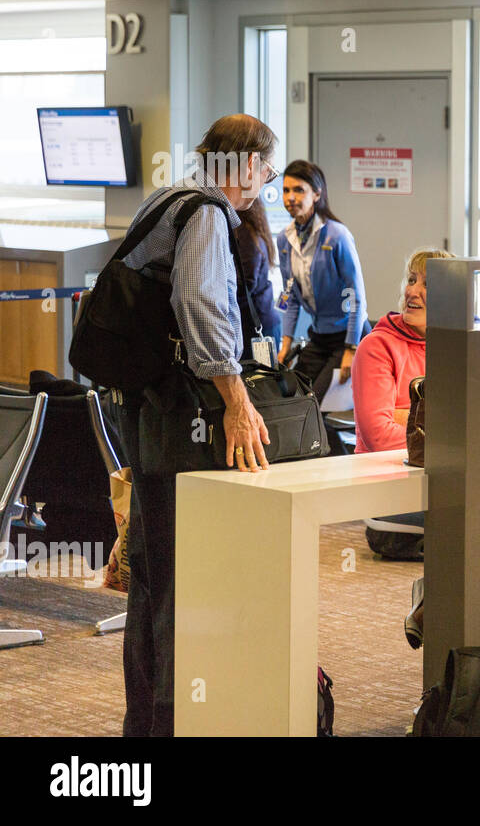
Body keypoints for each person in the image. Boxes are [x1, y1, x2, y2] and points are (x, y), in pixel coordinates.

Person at [116, 113, 277, 736]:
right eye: (264, 168)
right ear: (243, 166)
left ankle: (148, 725)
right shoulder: (206, 214)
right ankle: (172, 724)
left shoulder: (169, 199)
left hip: (146, 410)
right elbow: (200, 307)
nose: (265, 181)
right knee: (182, 582)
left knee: (155, 582)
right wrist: (238, 400)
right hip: (177, 420)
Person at [275, 160, 368, 399]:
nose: (290, 198)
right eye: (286, 190)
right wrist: (285, 345)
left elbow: (356, 297)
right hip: (318, 337)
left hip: (347, 337)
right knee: (292, 397)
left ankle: (326, 439)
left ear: (316, 194)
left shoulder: (337, 236)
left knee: (314, 403)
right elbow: (290, 298)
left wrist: (351, 349)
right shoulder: (285, 240)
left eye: (299, 190)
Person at [352, 248, 450, 454]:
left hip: (444, 468)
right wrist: (448, 430)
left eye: (427, 284)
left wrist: (406, 416)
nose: (412, 292)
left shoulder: (459, 346)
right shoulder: (376, 347)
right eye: (411, 280)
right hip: (386, 475)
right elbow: (379, 437)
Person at [234, 196, 281, 344]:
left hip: (254, 324)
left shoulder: (245, 233)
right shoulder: (254, 230)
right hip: (262, 320)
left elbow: (246, 282)